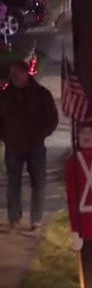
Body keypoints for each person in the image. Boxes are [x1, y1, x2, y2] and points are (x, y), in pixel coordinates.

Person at [0, 60, 60, 231]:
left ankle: (36, 218)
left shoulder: (41, 94)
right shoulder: (5, 96)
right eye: (12, 74)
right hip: (13, 145)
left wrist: (40, 134)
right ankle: (14, 218)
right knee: (13, 182)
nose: (15, 77)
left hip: (35, 145)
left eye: (18, 73)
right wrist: (5, 136)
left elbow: (52, 119)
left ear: (27, 74)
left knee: (38, 182)